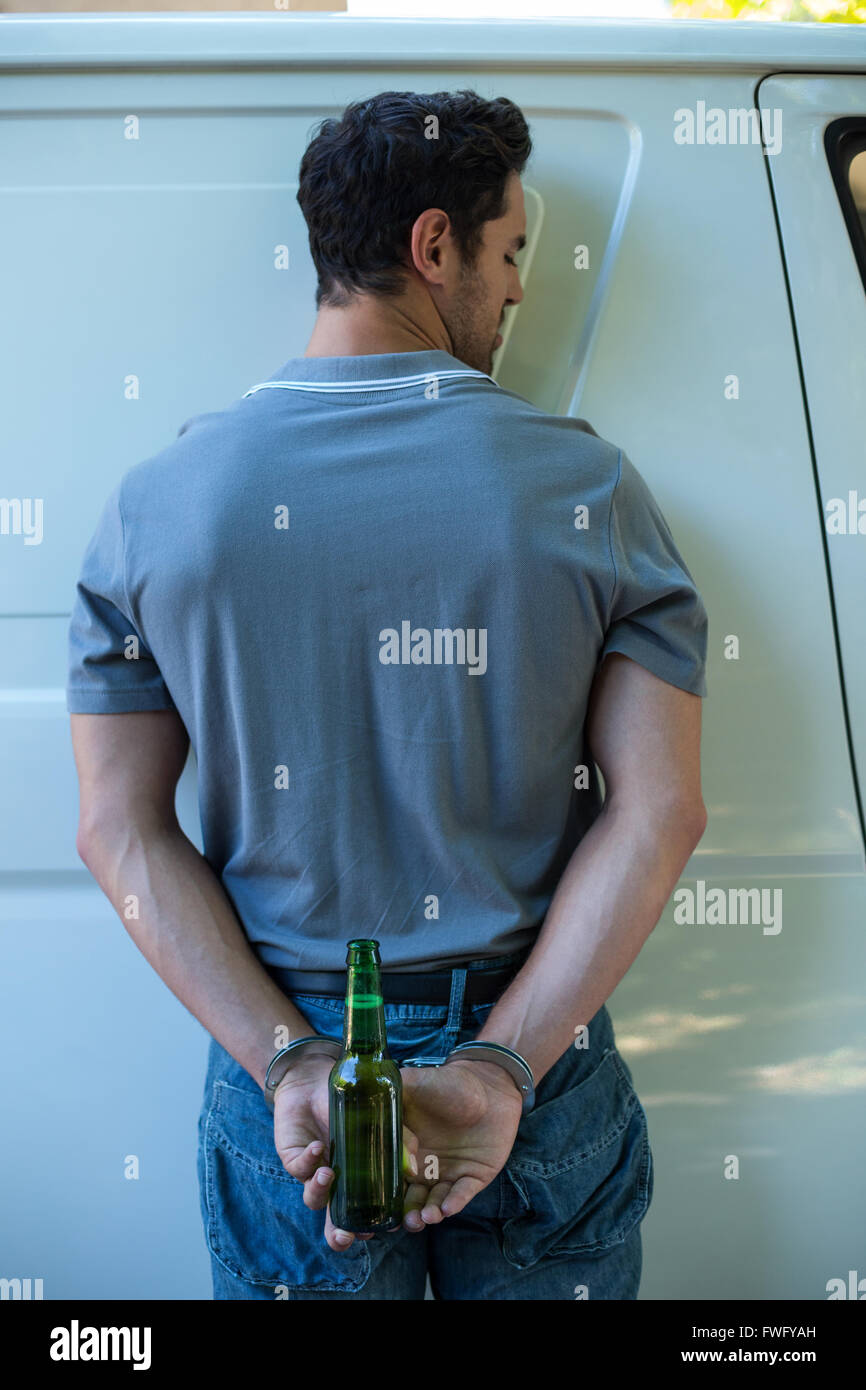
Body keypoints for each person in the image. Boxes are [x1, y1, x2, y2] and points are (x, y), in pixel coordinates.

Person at [67, 89, 708, 1301]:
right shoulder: (588, 492)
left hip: (288, 1076)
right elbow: (659, 811)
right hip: (533, 1049)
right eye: (510, 250)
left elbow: (118, 827)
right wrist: (499, 1068)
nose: (519, 288)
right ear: (432, 246)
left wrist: (290, 1059)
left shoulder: (159, 506)